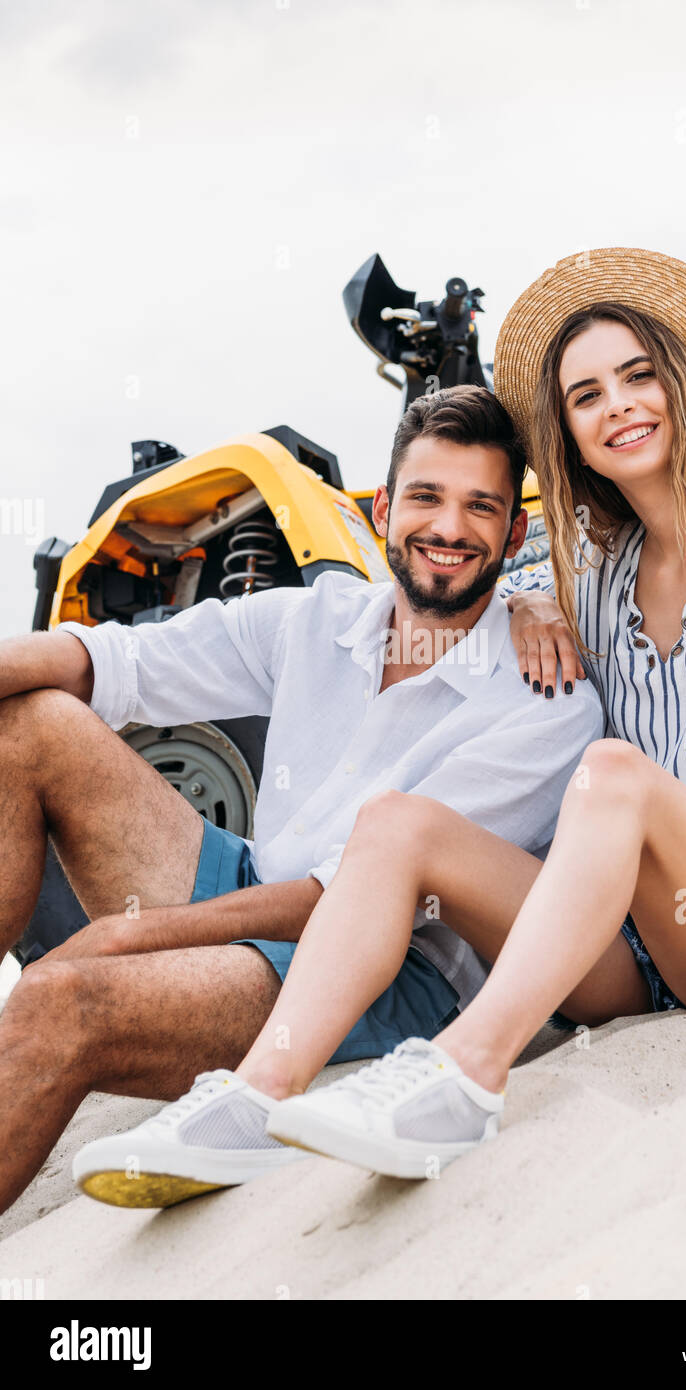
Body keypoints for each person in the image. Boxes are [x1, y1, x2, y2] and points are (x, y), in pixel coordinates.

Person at [246, 247, 686, 1180]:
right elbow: (493, 588)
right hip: (635, 957)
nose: (616, 405)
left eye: (637, 376)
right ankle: (253, 1098)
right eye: (585, 396)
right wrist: (535, 603)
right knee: (399, 822)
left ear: (681, 387)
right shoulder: (598, 578)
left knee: (612, 775)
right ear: (569, 436)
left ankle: (462, 1072)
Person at [0, 384, 603, 1214]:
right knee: (31, 721)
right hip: (250, 881)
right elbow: (115, 662)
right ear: (384, 508)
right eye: (426, 497)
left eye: (480, 507)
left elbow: (335, 897)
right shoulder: (319, 618)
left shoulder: (543, 700)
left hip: (384, 969)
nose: (449, 529)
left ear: (515, 530)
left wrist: (121, 937)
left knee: (59, 1001)